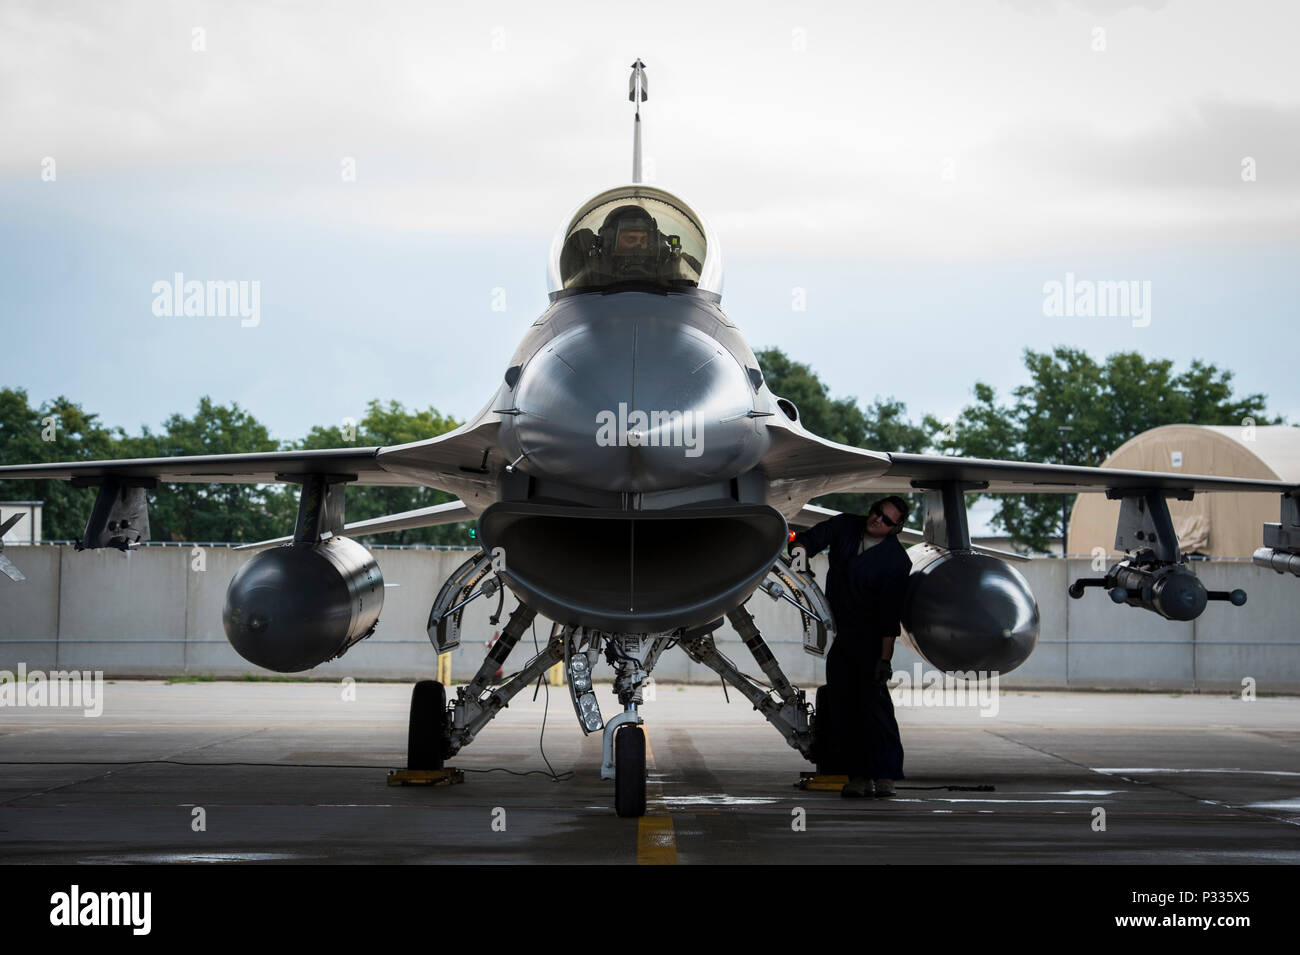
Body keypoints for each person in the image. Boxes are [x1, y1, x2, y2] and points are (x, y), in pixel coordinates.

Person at [790, 496, 912, 798]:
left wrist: (884, 661)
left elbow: (889, 617)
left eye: (887, 520)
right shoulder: (846, 526)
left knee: (874, 707)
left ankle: (884, 776)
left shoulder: (897, 561)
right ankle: (858, 777)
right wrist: (800, 561)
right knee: (843, 707)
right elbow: (804, 541)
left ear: (896, 528)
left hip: (871, 642)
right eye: (877, 512)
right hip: (841, 636)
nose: (877, 520)